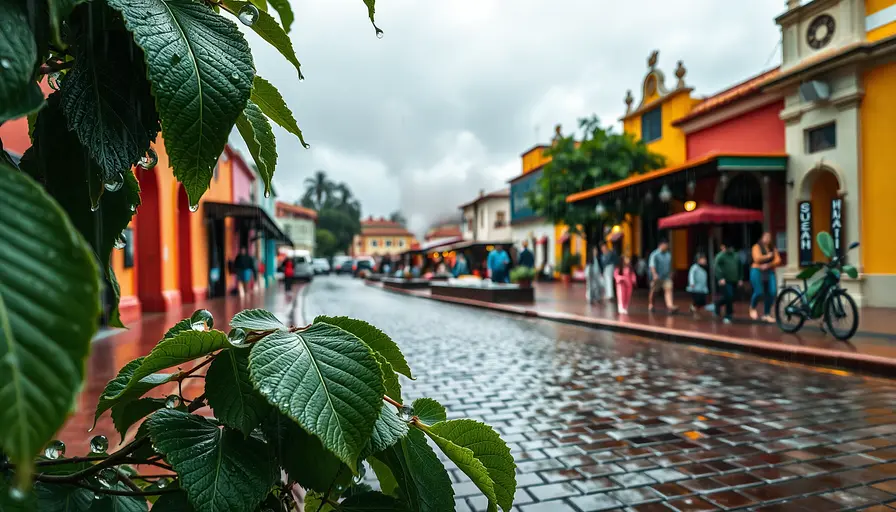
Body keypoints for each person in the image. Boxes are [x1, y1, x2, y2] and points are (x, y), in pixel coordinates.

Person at [750, 231, 781, 322]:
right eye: (766, 237)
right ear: (762, 238)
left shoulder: (772, 248)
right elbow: (757, 258)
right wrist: (768, 256)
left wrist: (768, 265)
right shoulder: (756, 247)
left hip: (769, 271)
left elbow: (778, 260)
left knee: (772, 292)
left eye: (769, 237)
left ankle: (766, 314)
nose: (767, 239)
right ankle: (752, 307)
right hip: (757, 270)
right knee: (759, 291)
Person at [713, 242, 742, 324]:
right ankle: (728, 315)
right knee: (729, 296)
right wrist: (720, 278)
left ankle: (718, 303)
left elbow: (740, 267)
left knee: (732, 297)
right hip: (725, 281)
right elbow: (716, 267)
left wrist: (740, 278)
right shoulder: (720, 256)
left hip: (734, 280)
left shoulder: (736, 256)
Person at [648, 240, 676, 312]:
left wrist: (671, 272)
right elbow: (652, 265)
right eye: (665, 245)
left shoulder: (668, 255)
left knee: (668, 290)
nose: (666, 246)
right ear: (660, 245)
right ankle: (651, 304)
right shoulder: (654, 254)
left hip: (666, 277)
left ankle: (670, 305)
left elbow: (670, 265)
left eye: (667, 245)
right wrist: (654, 274)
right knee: (654, 291)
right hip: (657, 277)